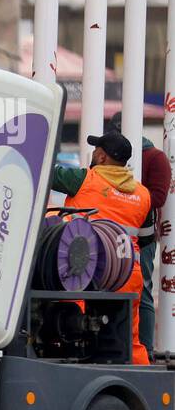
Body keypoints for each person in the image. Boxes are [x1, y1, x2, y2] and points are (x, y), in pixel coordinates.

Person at [53, 130, 153, 365]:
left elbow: (46, 172)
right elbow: (147, 239)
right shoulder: (142, 194)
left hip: (84, 269)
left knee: (72, 329)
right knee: (130, 339)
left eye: (96, 149)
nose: (94, 152)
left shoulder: (84, 180)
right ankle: (144, 384)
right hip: (127, 273)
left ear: (101, 157)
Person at [109, 113, 171, 357]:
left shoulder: (155, 158)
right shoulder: (117, 159)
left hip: (140, 236)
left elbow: (158, 197)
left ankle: (144, 348)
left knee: (142, 290)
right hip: (112, 231)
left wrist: (123, 196)